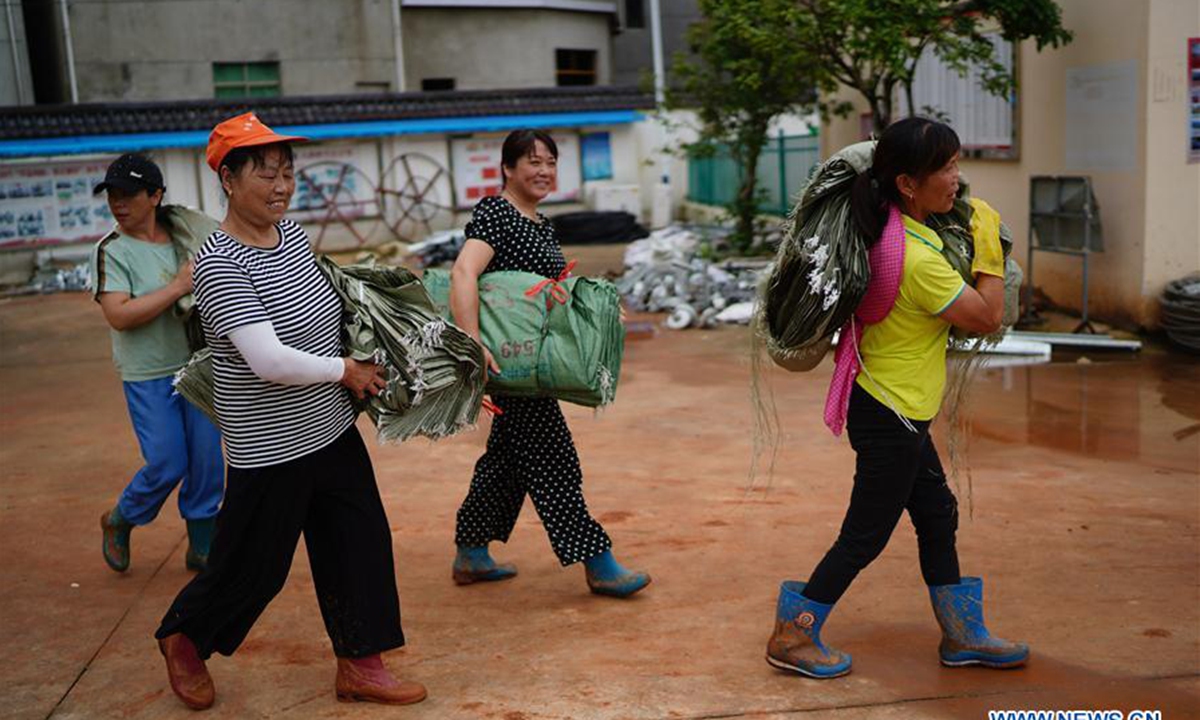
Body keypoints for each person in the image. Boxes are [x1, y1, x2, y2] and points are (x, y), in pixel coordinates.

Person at [152, 113, 425, 710]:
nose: (281, 186)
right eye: (265, 174)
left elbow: (331, 309)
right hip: (270, 447)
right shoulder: (220, 264)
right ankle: (185, 638)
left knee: (359, 544)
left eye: (287, 173)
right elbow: (267, 359)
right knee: (253, 569)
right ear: (227, 179)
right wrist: (343, 371)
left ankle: (362, 663)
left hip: (328, 427)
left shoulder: (292, 236)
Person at [766, 117, 1028, 678]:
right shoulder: (917, 258)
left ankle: (963, 635)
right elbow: (986, 317)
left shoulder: (890, 228)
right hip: (890, 413)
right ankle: (794, 634)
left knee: (937, 514)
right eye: (947, 168)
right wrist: (988, 254)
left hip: (893, 408)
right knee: (865, 533)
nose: (958, 179)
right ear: (908, 183)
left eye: (958, 163)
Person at [448, 129, 650, 598]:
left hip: (533, 366)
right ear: (508, 169)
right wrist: (471, 344)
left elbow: (548, 290)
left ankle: (472, 552)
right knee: (553, 459)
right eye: (533, 162)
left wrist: (599, 310)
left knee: (507, 462)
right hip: (509, 362)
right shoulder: (496, 214)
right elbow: (464, 272)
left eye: (551, 162)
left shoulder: (539, 223)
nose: (544, 171)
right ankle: (598, 562)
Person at [91, 153, 224, 574]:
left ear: (156, 196)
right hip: (148, 373)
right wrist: (179, 287)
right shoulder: (113, 250)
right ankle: (121, 517)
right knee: (168, 461)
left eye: (128, 194)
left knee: (207, 461)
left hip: (196, 366)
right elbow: (120, 315)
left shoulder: (186, 236)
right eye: (112, 195)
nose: (118, 203)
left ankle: (202, 547)